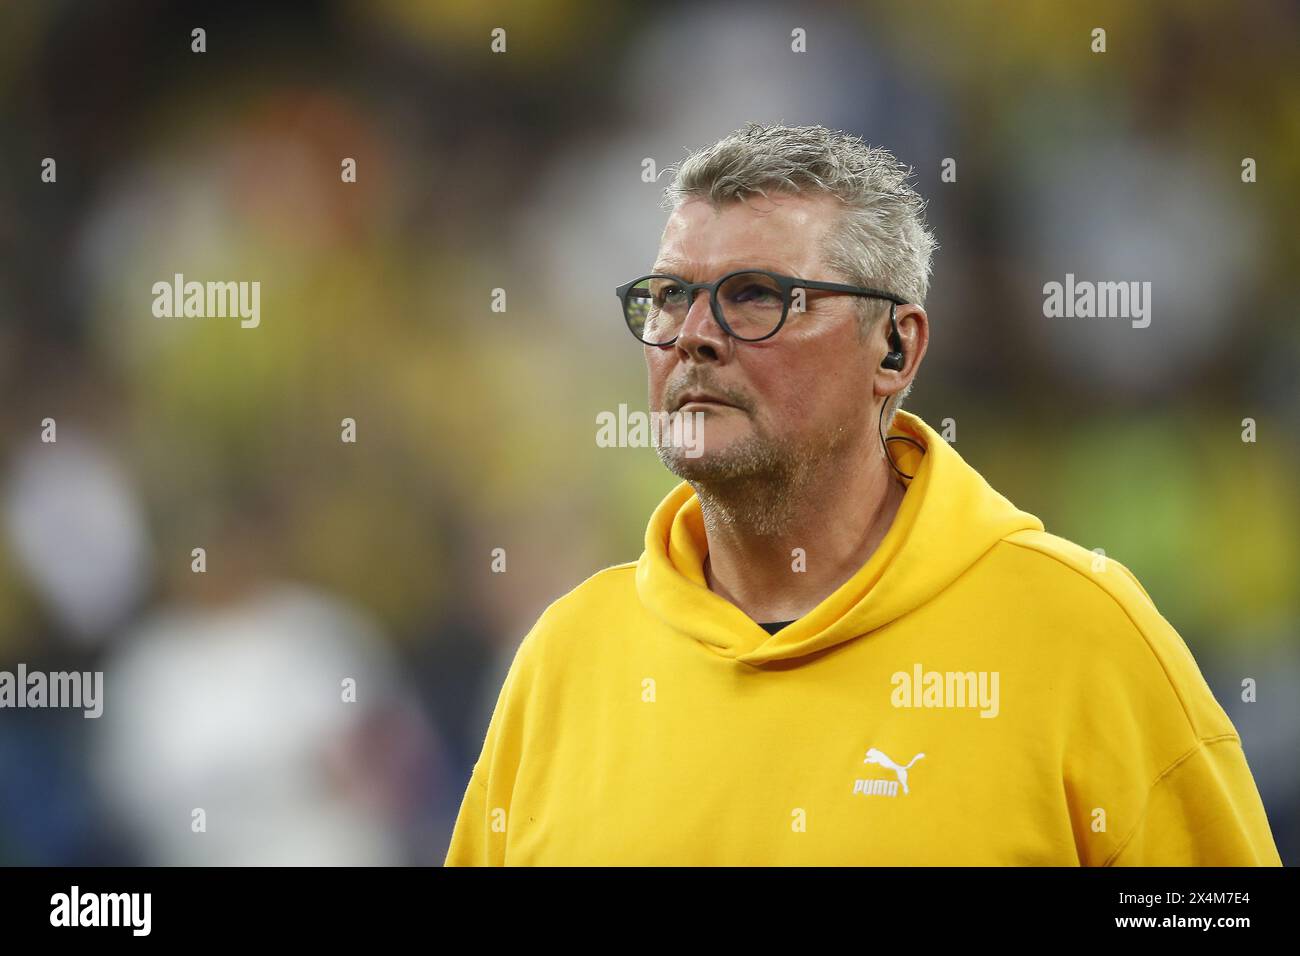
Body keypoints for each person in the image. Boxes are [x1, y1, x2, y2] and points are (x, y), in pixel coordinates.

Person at [445, 123, 1281, 865]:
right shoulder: (565, 661)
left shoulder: (1084, 638)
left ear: (894, 349)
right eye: (669, 297)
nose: (693, 336)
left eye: (756, 296)